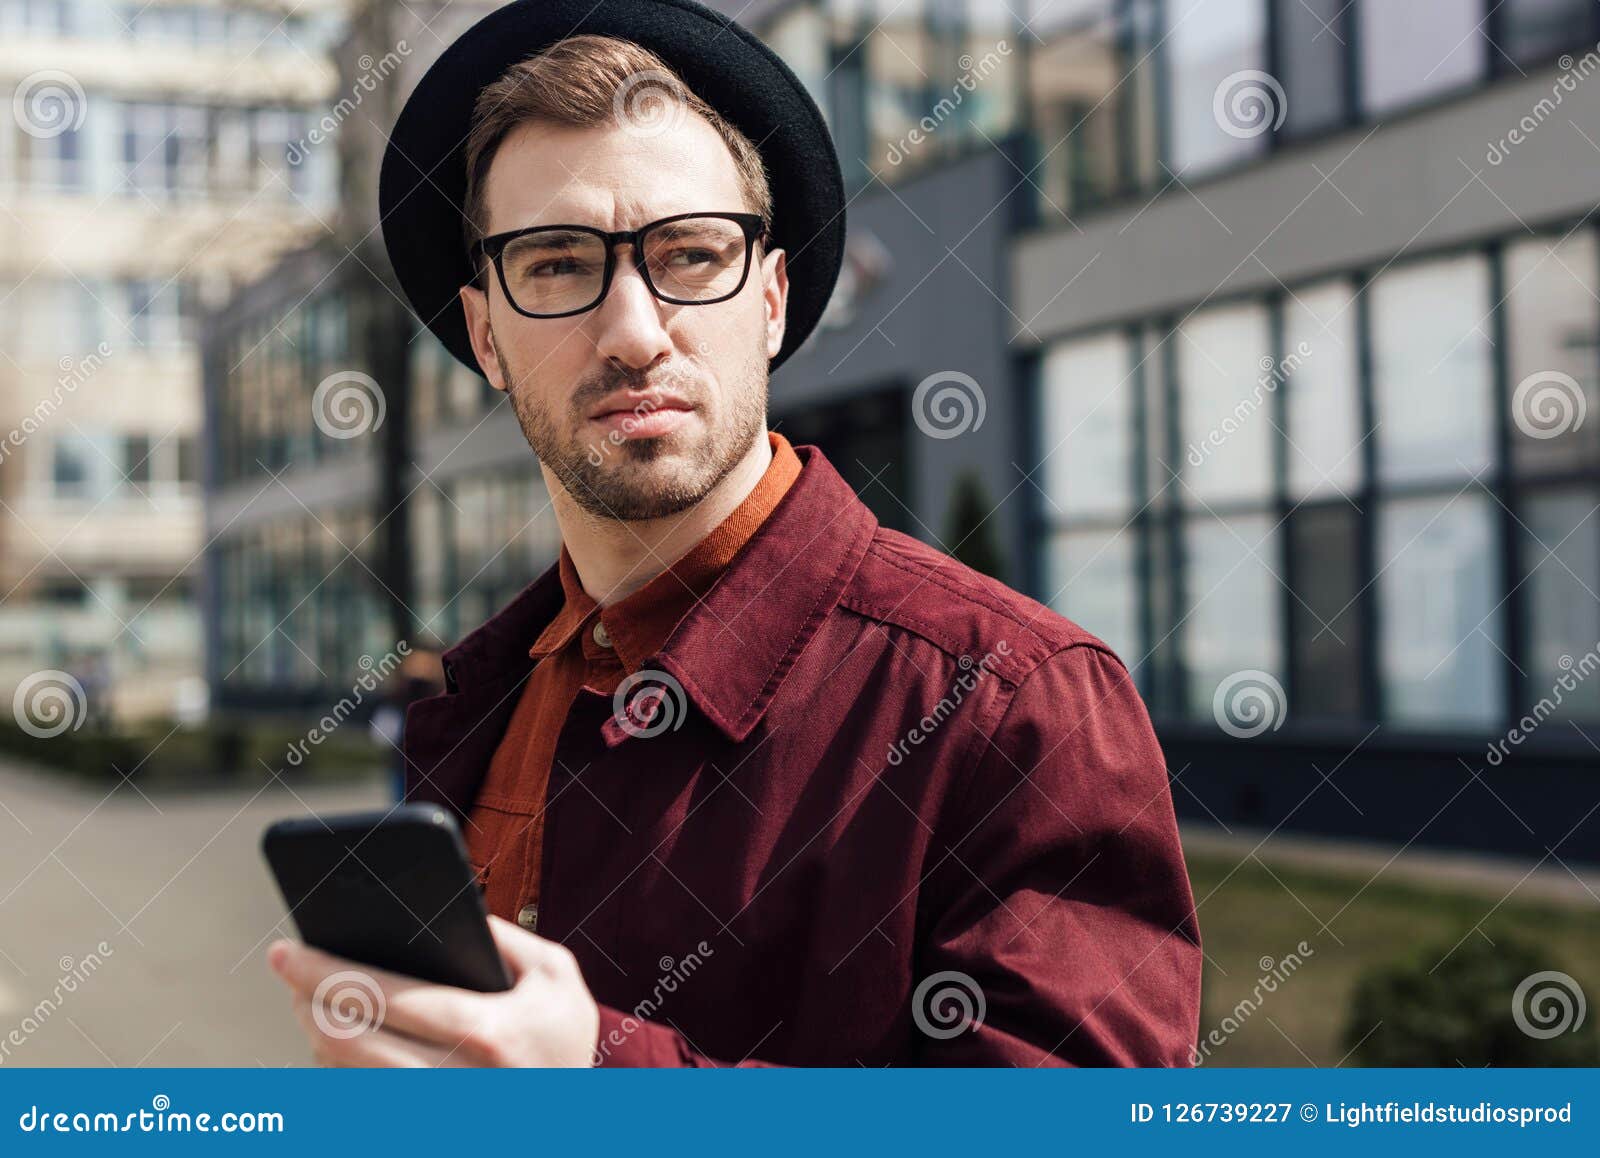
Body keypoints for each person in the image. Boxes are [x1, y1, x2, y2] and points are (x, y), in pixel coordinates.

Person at [268, 0, 1201, 1067]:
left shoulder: (1011, 707)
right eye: (558, 265)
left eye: (691, 253)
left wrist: (596, 1078)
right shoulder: (493, 700)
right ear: (486, 332)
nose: (630, 330)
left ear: (770, 296)